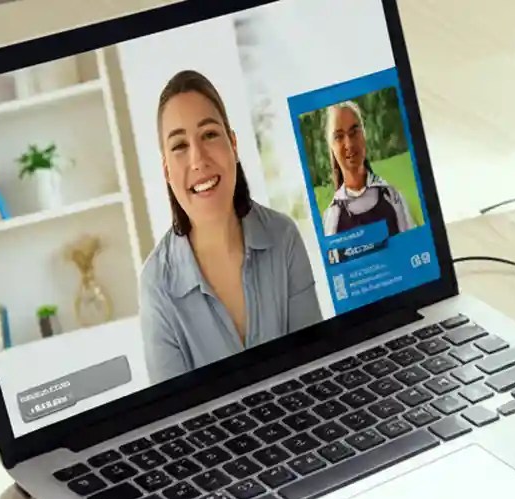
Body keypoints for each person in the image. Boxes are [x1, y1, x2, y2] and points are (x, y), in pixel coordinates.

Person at [139, 70, 322, 384]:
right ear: (166, 169)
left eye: (209, 134)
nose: (198, 159)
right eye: (180, 145)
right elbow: (176, 416)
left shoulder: (284, 237)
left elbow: (315, 370)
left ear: (233, 144)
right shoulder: (156, 284)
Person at [320, 100, 417, 237]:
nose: (349, 144)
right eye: (339, 136)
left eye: (354, 132)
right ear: (331, 147)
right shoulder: (331, 219)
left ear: (364, 134)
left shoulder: (393, 198)